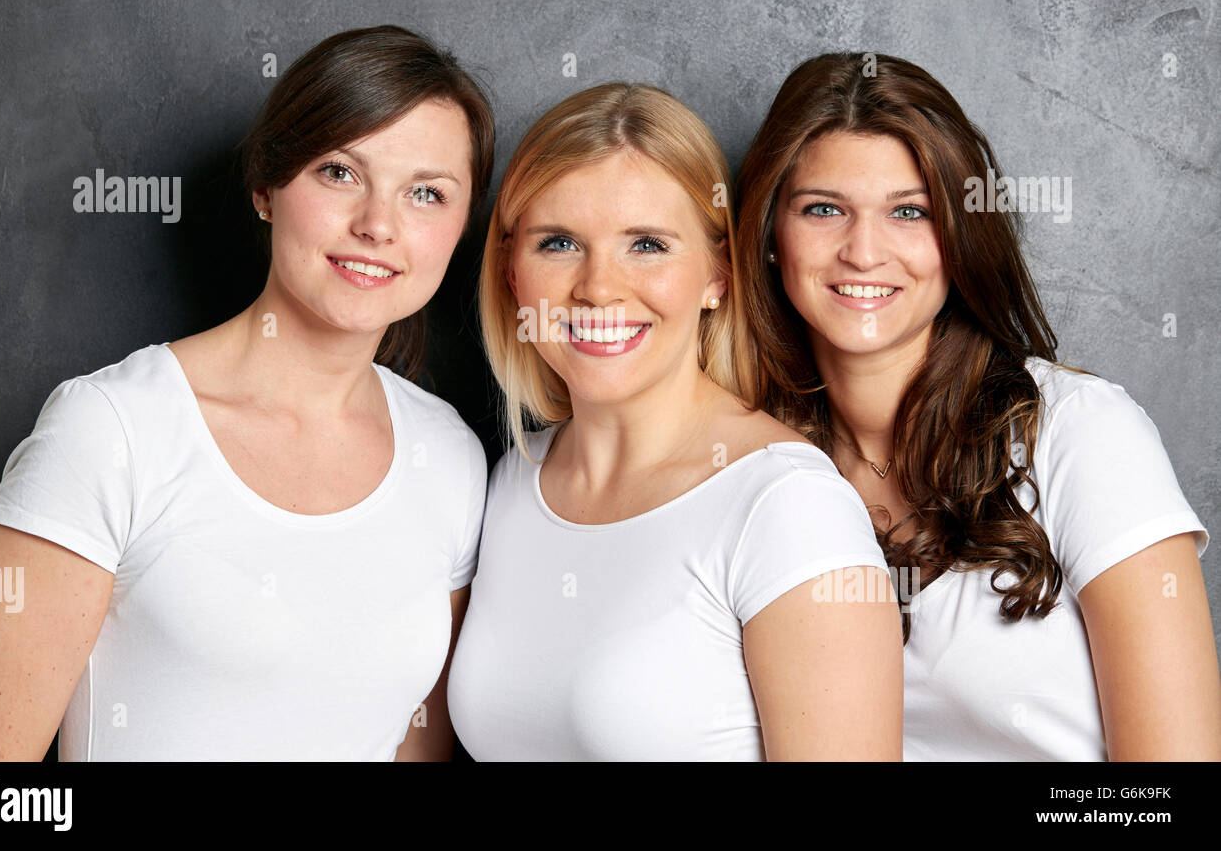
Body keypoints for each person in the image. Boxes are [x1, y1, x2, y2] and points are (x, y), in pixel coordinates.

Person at [0, 25, 496, 761]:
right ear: (266, 186)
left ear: (461, 226)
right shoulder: (112, 432)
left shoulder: (448, 456)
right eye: (338, 172)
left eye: (426, 192)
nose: (378, 225)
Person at [734, 51, 1221, 760]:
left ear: (959, 236)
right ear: (771, 236)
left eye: (909, 212)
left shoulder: (1081, 431)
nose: (863, 252)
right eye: (823, 209)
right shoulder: (751, 461)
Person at [446, 82, 903, 761]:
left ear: (718, 273)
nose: (599, 287)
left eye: (649, 245)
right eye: (559, 243)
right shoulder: (512, 480)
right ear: (511, 272)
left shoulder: (786, 504)